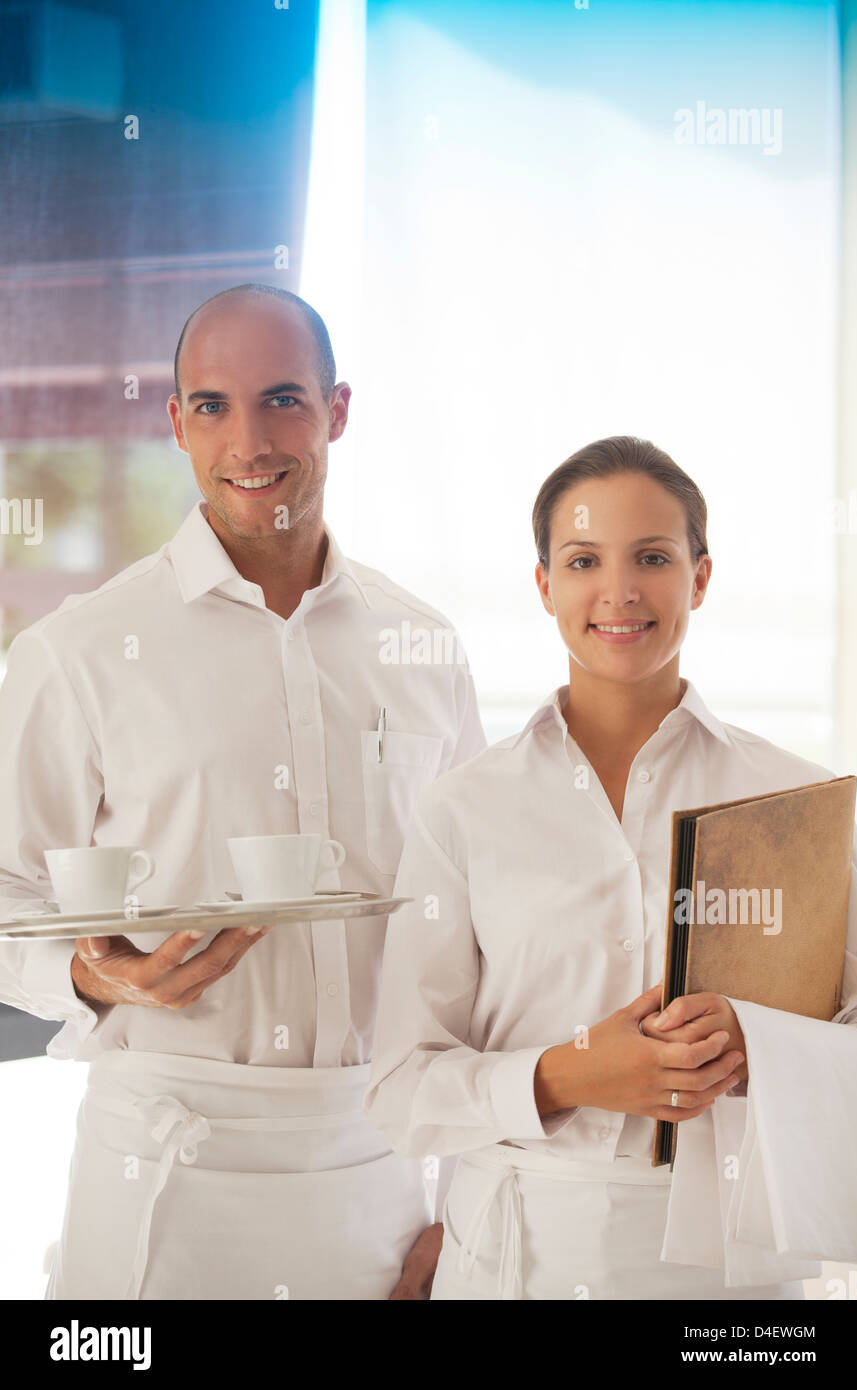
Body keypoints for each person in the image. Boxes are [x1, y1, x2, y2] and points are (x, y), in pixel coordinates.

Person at [0, 284, 486, 1300]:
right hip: (164, 1169)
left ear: (336, 411)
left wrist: (467, 1217)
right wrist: (100, 978)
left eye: (282, 400)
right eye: (212, 407)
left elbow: (478, 935)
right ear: (175, 424)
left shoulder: (423, 648)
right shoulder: (79, 654)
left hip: (380, 1171)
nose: (248, 441)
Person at [364, 434, 857, 1300]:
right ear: (545, 585)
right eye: (584, 560)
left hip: (731, 1278)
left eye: (653, 557)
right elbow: (401, 1089)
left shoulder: (796, 801)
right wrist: (571, 1072)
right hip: (520, 1262)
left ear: (700, 577)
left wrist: (763, 1047)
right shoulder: (463, 809)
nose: (620, 591)